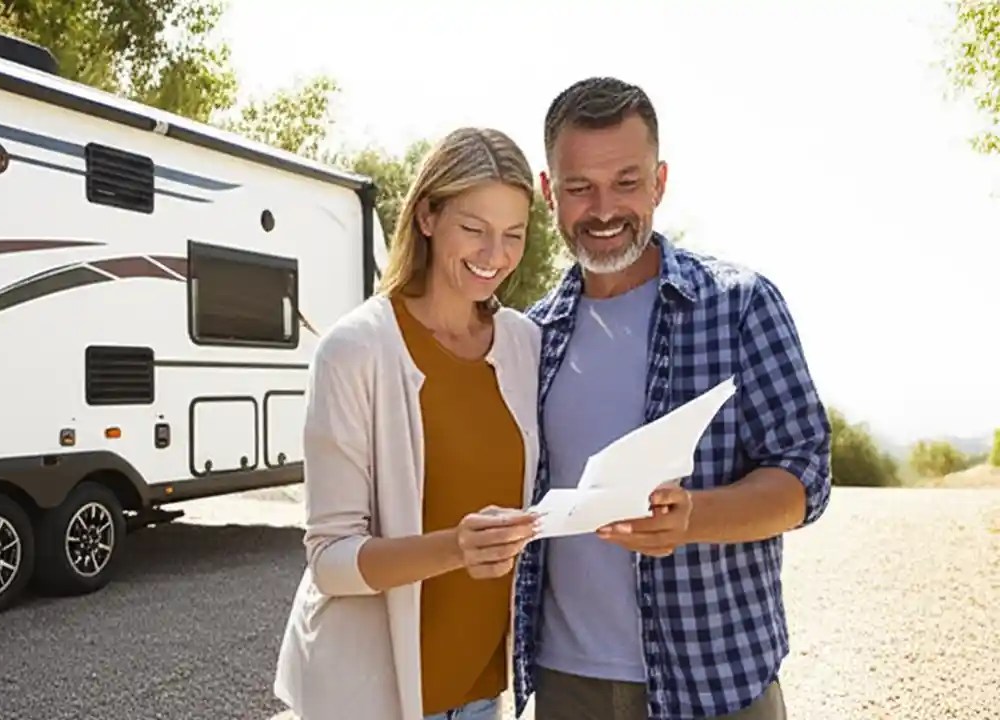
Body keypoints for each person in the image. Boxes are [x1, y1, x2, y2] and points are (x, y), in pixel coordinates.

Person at [511, 77, 833, 720]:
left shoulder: (740, 305)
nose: (604, 209)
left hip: (717, 682)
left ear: (658, 182)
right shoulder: (529, 336)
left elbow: (807, 477)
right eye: (580, 188)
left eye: (626, 183)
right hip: (566, 684)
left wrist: (694, 518)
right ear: (550, 193)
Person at [273, 126, 545, 720]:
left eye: (513, 235)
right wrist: (456, 547)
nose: (494, 255)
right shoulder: (356, 350)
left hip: (479, 693)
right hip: (368, 695)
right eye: (473, 229)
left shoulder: (526, 344)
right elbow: (332, 560)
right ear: (426, 215)